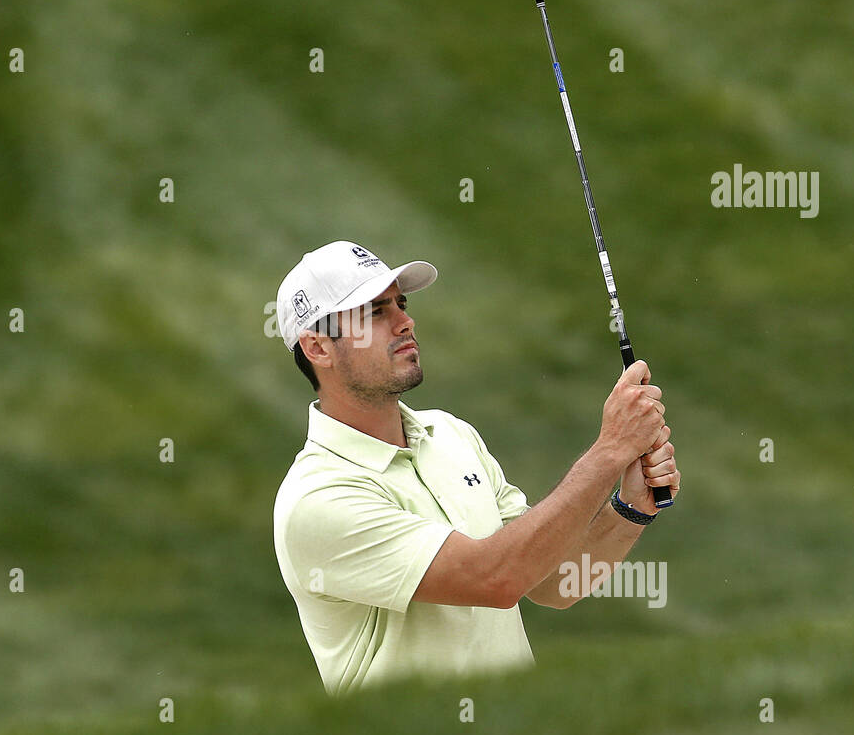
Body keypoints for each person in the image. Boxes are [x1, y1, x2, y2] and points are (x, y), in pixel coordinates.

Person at [273, 240, 680, 696]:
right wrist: (609, 452)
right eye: (375, 312)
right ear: (318, 347)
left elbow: (551, 581)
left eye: (401, 304)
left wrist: (630, 510)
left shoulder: (450, 434)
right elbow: (496, 578)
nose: (405, 322)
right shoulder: (318, 499)